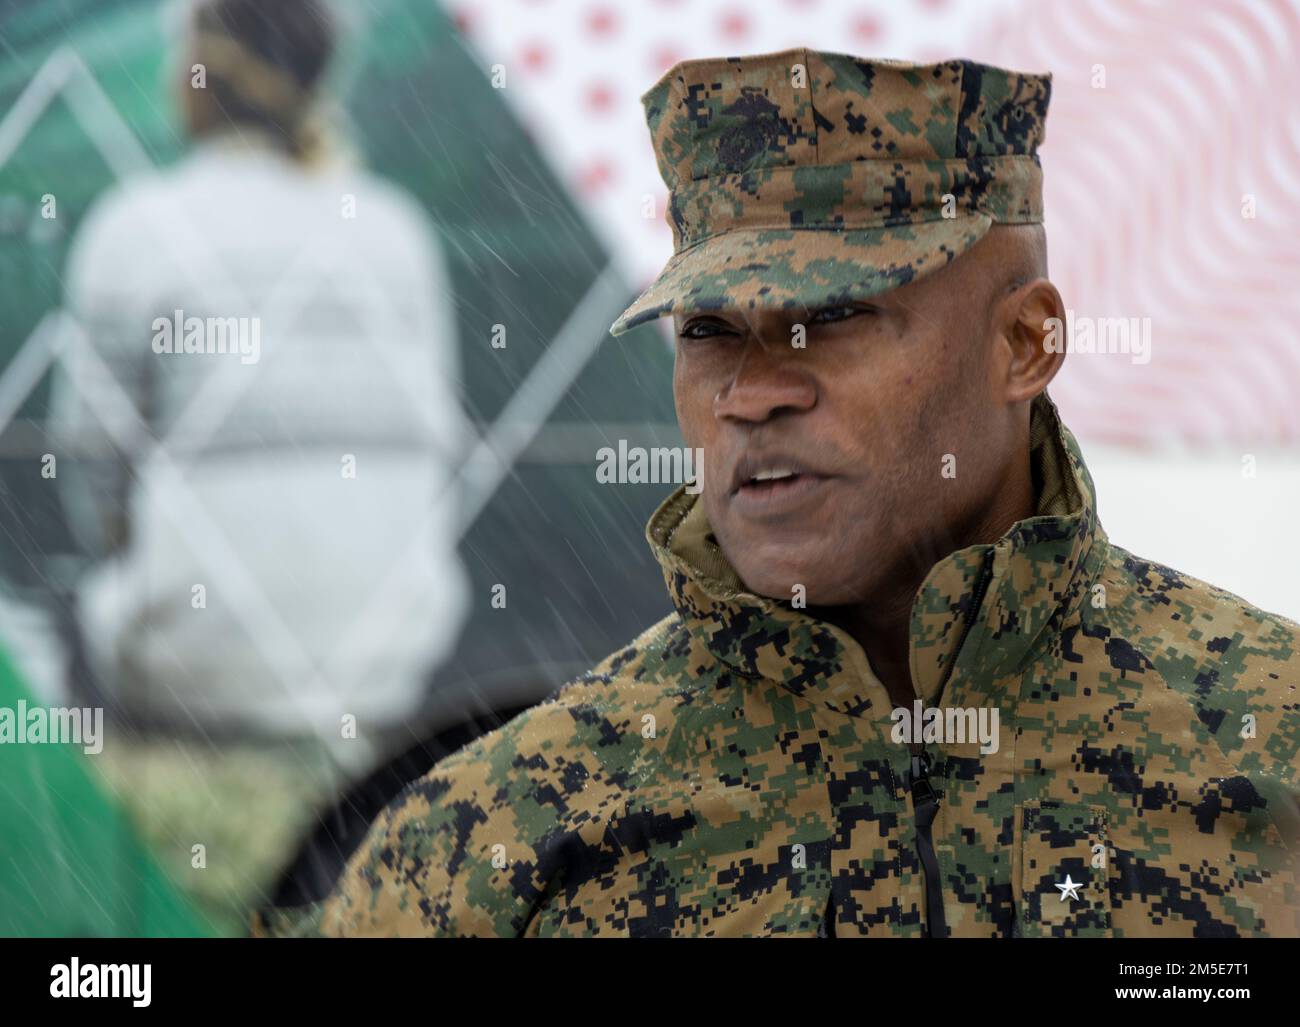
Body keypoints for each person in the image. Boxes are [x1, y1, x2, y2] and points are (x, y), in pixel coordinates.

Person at [255, 49, 1299, 937]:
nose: (751, 393)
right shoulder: (495, 844)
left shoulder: (1269, 733)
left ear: (1025, 343)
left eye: (832, 316)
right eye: (709, 331)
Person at [50, 0, 469, 764]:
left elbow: (93, 471)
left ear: (194, 71)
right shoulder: (397, 232)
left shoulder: (134, 229)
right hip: (389, 665)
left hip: (184, 665)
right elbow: (438, 456)